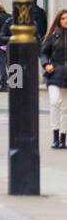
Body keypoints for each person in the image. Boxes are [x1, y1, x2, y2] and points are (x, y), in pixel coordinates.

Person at [41, 10, 67, 150]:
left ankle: (63, 138)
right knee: (54, 102)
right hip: (54, 74)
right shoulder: (53, 36)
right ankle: (55, 137)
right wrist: (46, 64)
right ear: (59, 20)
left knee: (65, 108)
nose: (65, 21)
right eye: (63, 18)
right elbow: (44, 53)